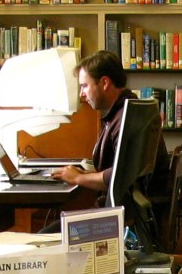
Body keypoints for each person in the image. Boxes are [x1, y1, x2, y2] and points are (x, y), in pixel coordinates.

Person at [53, 50, 167, 194]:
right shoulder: (127, 110)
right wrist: (81, 175)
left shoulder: (127, 118)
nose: (82, 93)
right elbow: (122, 171)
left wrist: (78, 179)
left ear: (104, 83)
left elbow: (121, 178)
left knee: (61, 217)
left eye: (85, 86)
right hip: (137, 207)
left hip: (128, 212)